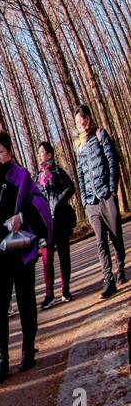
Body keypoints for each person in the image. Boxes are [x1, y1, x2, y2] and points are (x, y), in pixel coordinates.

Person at [0, 129, 51, 386]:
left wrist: (24, 217)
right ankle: (1, 360)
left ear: (9, 152)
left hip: (21, 249)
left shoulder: (22, 177)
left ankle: (28, 351)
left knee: (26, 300)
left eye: (0, 152)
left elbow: (40, 201)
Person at [74, 104, 124, 299]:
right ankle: (108, 279)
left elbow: (112, 160)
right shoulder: (79, 144)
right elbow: (80, 174)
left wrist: (112, 189)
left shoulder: (100, 134)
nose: (81, 124)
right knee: (100, 241)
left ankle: (121, 266)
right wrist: (85, 200)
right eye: (78, 122)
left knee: (115, 236)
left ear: (89, 118)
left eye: (83, 120)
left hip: (106, 195)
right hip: (91, 202)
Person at [35, 140, 76, 308]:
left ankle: (65, 290)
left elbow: (71, 187)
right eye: (38, 153)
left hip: (61, 221)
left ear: (50, 155)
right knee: (46, 259)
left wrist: (58, 202)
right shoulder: (37, 177)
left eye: (42, 153)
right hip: (45, 225)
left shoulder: (58, 171)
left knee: (64, 256)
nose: (39, 156)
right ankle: (49, 294)